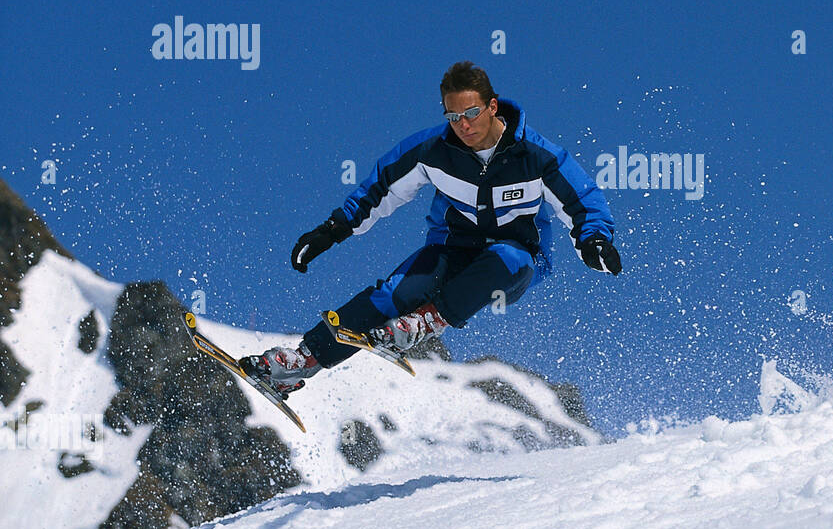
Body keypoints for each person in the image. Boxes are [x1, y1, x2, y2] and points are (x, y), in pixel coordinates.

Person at [239, 61, 622, 395]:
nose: (464, 125)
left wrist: (595, 241)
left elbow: (581, 199)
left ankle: (427, 321)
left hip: (518, 259)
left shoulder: (537, 156)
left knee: (507, 257)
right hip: (452, 248)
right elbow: (380, 189)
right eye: (453, 117)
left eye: (471, 113)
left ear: (492, 106)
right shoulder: (434, 151)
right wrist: (331, 231)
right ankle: (300, 362)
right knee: (395, 293)